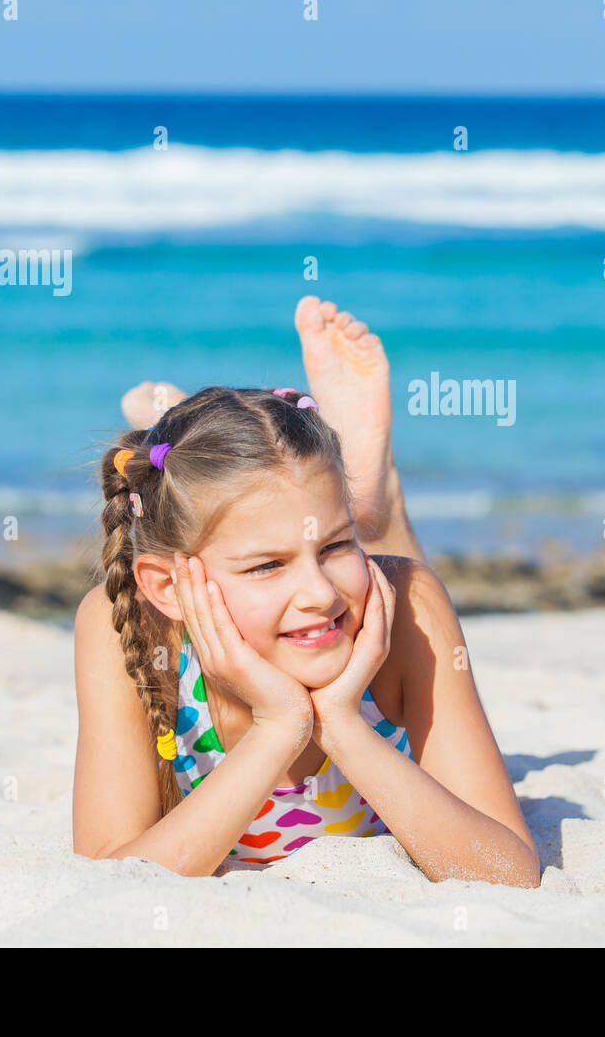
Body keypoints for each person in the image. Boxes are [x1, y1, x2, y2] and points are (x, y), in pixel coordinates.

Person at [71, 296, 540, 885]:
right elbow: (105, 883)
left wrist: (342, 724)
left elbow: (510, 875)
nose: (318, 593)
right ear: (167, 587)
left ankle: (374, 502)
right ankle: (182, 440)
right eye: (267, 565)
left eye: (336, 545)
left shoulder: (406, 601)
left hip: (385, 598)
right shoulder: (129, 630)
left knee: (397, 582)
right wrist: (279, 727)